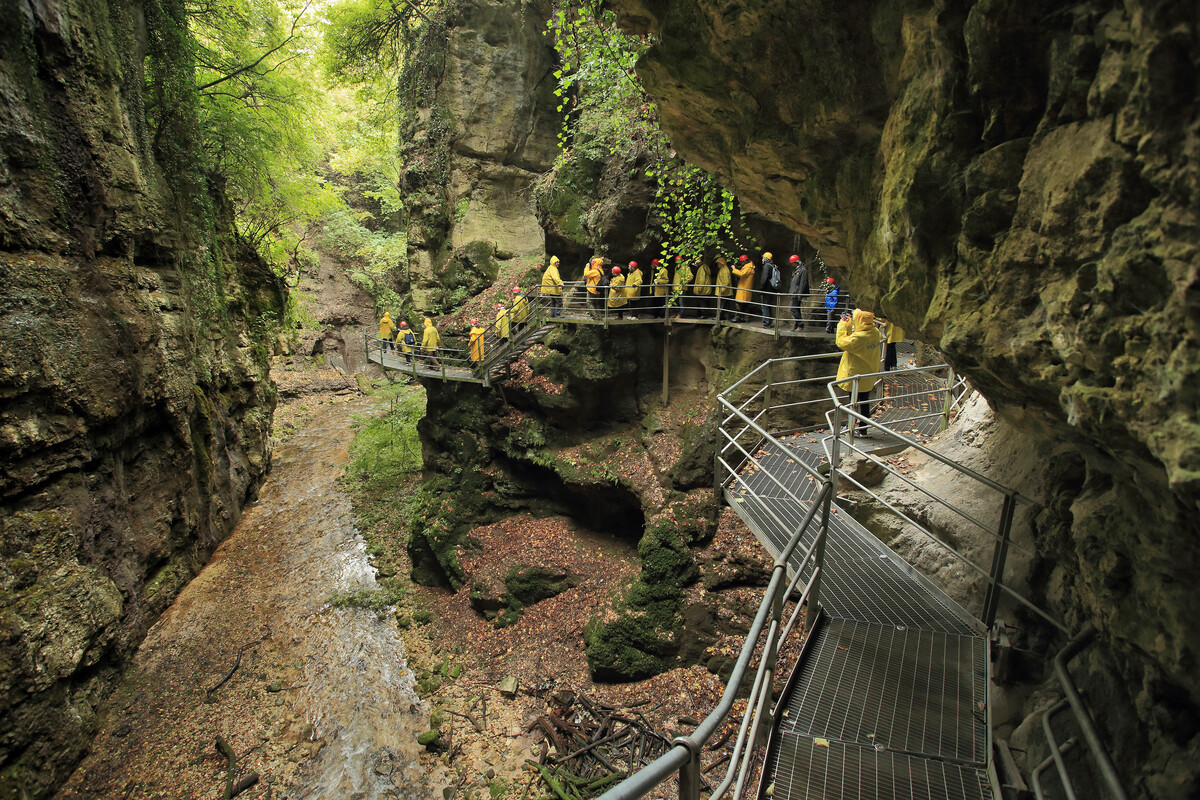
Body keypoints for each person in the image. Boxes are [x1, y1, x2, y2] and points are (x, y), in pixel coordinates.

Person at [835, 309, 883, 435]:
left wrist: (842, 325)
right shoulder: (875, 332)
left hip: (855, 374)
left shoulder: (858, 338)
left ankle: (849, 427)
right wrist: (850, 324)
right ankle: (863, 428)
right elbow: (857, 333)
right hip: (868, 373)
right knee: (864, 401)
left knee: (853, 403)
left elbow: (841, 342)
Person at [759, 252, 782, 327]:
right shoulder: (773, 266)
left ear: (766, 258)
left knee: (764, 305)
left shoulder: (766, 266)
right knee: (769, 305)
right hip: (772, 288)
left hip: (766, 288)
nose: (762, 259)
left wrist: (761, 288)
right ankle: (770, 321)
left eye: (763, 258)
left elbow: (764, 278)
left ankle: (766, 322)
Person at [732, 254, 756, 322]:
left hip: (744, 288)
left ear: (744, 261)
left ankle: (738, 318)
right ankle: (744, 318)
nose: (741, 263)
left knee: (739, 304)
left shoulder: (748, 267)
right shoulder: (749, 267)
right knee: (745, 305)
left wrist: (734, 269)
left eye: (741, 262)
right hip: (745, 288)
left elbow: (741, 274)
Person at [788, 254, 809, 330]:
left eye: (792, 263)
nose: (791, 264)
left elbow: (802, 283)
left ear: (796, 262)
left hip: (797, 293)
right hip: (794, 292)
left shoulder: (803, 270)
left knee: (793, 308)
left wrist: (800, 295)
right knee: (796, 309)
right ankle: (797, 325)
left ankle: (800, 324)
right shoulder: (797, 270)